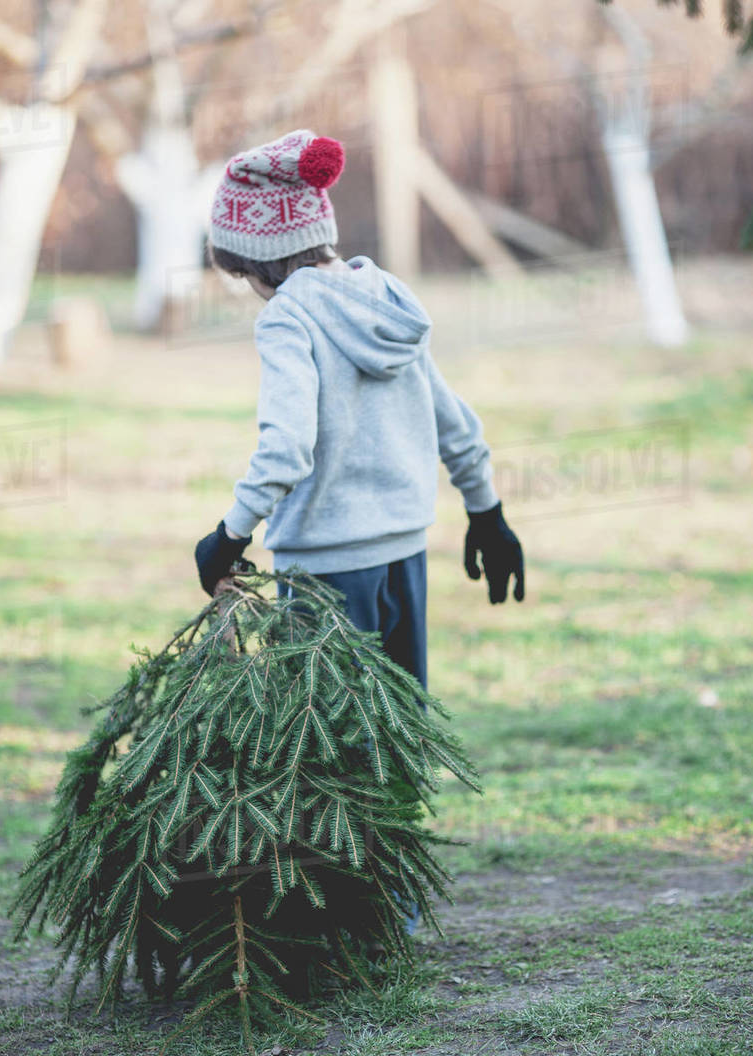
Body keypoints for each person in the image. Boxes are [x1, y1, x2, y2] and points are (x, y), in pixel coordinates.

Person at [194, 128, 525, 696]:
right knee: (395, 745)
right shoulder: (386, 299)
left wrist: (229, 535)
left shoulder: (287, 317)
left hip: (326, 571)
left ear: (259, 261)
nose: (250, 291)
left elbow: (287, 447)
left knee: (325, 761)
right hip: (405, 558)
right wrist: (486, 511)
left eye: (243, 276)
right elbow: (455, 423)